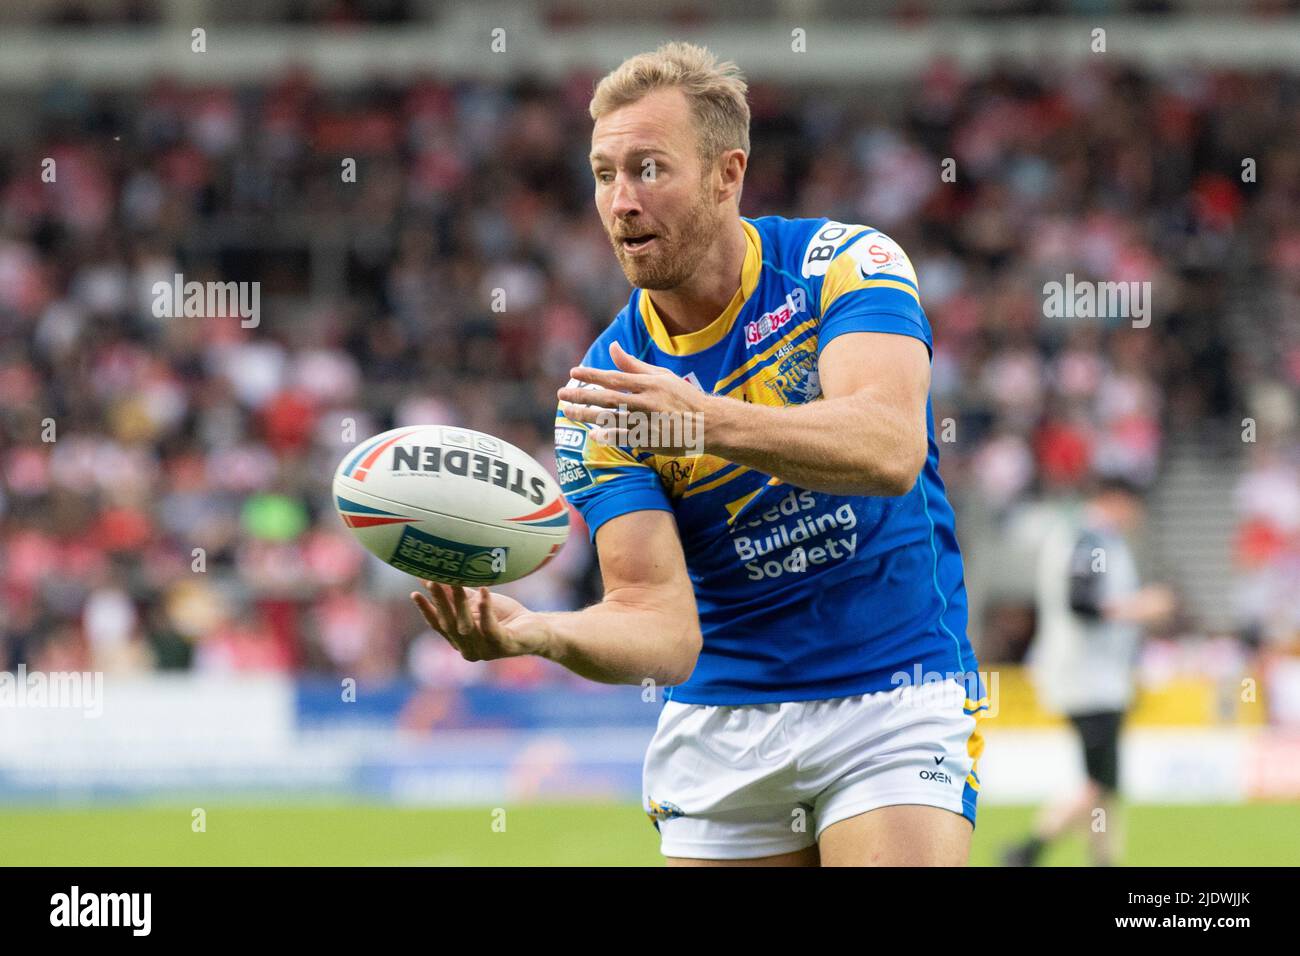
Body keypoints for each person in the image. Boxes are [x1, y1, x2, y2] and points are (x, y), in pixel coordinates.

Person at [411, 41, 986, 866]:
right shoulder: (602, 396)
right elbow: (660, 628)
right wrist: (539, 634)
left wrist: (703, 421)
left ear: (728, 173)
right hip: (723, 720)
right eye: (605, 174)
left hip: (893, 691)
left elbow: (889, 446)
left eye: (649, 169)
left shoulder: (843, 266)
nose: (622, 201)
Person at [1003, 476, 1175, 867]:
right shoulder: (1087, 540)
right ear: (1116, 500)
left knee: (1102, 782)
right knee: (1101, 780)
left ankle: (1098, 858)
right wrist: (1142, 607)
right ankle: (1029, 849)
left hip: (1093, 677)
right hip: (1087, 678)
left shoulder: (1090, 539)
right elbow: (1082, 604)